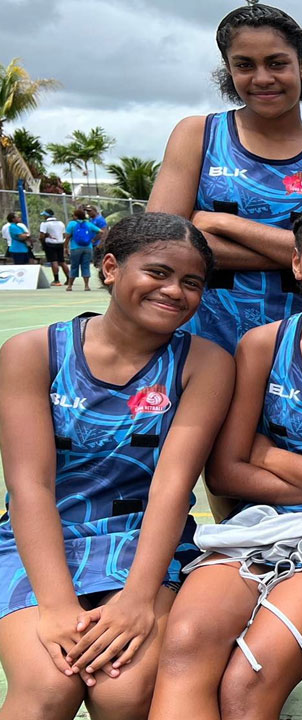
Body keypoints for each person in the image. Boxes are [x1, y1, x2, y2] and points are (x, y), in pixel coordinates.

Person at [147, 201, 302, 719]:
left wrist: (268, 454)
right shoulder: (262, 345)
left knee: (247, 681)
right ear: (297, 264)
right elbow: (225, 472)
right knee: (185, 645)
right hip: (263, 527)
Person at [0, 213, 232, 719]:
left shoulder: (204, 362)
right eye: (158, 273)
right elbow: (29, 487)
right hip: (40, 539)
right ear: (110, 268)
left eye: (191, 283)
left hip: (140, 538)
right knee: (47, 688)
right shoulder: (32, 352)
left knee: (122, 690)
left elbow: (172, 487)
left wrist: (138, 600)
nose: (174, 291)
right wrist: (58, 607)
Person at [148, 4, 302, 354]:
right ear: (229, 70)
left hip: (292, 346)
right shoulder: (198, 135)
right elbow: (160, 244)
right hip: (200, 339)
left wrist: (220, 223)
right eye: (245, 65)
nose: (262, 78)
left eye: (277, 63)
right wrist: (298, 252)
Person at [64, 208, 102, 292]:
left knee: (74, 266)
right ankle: (86, 286)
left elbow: (67, 237)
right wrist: (93, 239)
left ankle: (70, 286)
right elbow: (101, 231)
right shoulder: (88, 224)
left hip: (75, 248)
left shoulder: (72, 224)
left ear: (76, 216)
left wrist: (65, 247)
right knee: (85, 266)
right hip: (88, 247)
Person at [40, 209, 69, 286]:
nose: (43, 216)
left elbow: (42, 235)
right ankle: (69, 278)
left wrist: (43, 243)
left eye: (44, 215)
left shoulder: (45, 224)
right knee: (62, 261)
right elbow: (64, 234)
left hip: (50, 244)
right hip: (60, 243)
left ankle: (56, 280)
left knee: (54, 261)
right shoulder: (60, 223)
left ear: (47, 215)